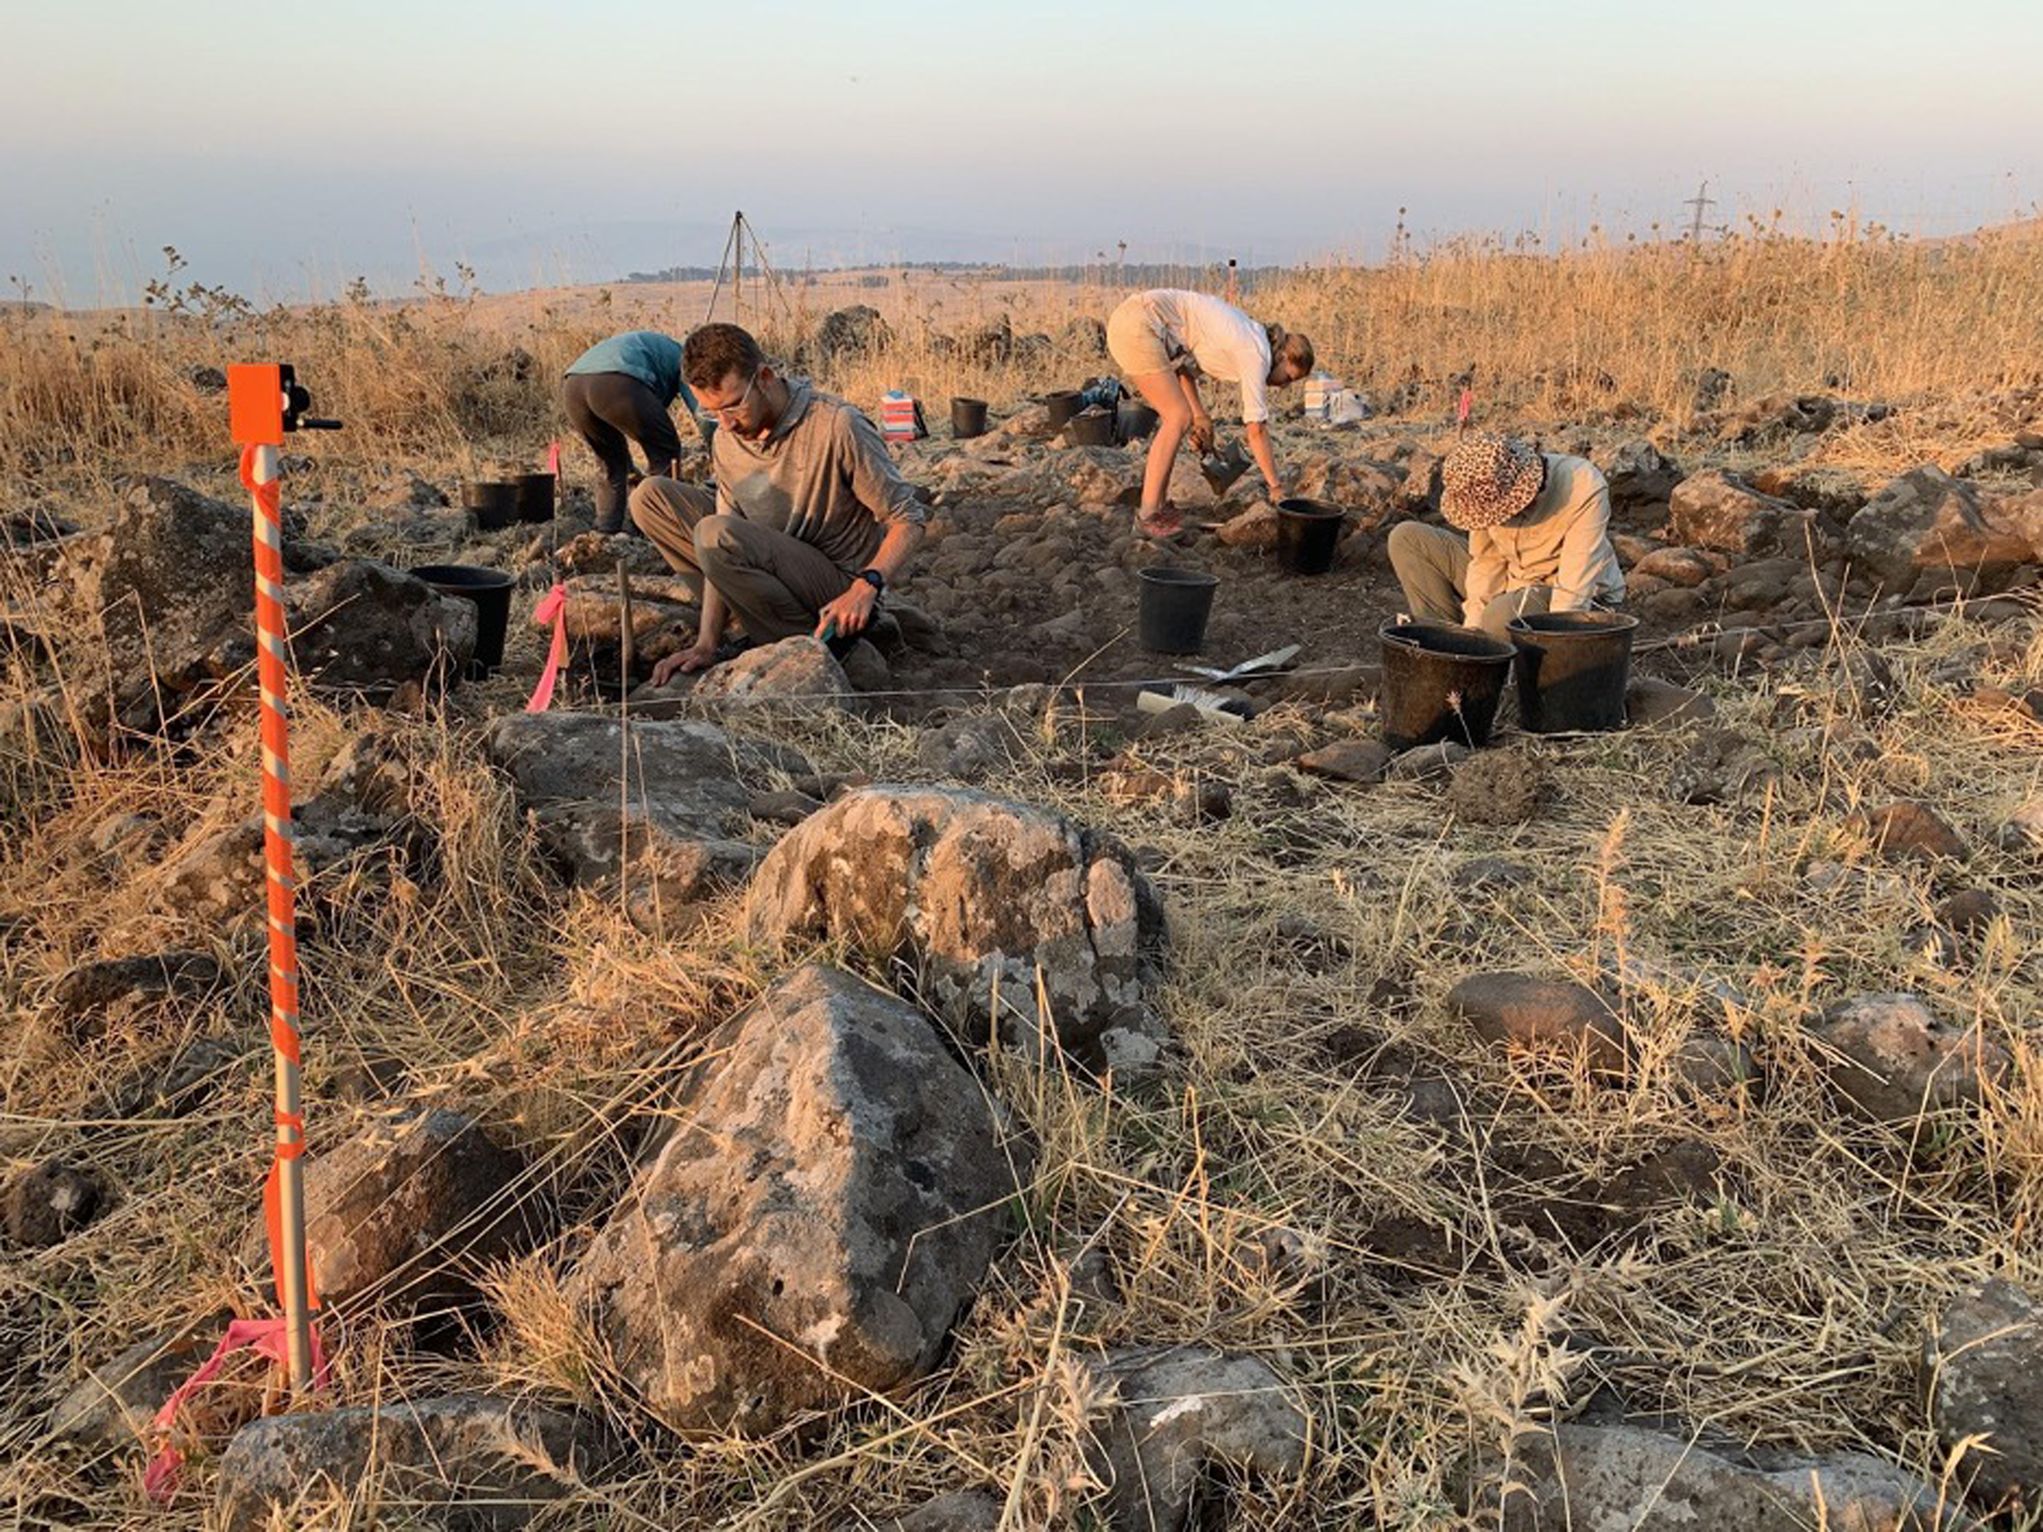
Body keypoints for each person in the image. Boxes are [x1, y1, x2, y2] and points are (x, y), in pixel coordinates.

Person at [629, 323, 926, 684]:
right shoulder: (725, 439)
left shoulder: (837, 425)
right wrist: (706, 644)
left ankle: (815, 648)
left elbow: (907, 519)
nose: (725, 423)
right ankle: (746, 624)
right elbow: (719, 534)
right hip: (766, 563)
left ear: (765, 377)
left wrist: (866, 587)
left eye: (733, 406)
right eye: (710, 412)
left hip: (837, 589)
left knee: (715, 534)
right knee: (650, 497)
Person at [1104, 288, 1315, 538]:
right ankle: (1148, 515)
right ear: (1282, 356)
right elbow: (1256, 429)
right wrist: (1276, 487)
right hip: (1140, 325)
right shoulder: (1256, 353)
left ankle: (1157, 508)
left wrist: (1201, 417)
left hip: (1136, 320)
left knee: (1180, 417)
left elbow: (1184, 370)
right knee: (1177, 417)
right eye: (1288, 377)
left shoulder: (1247, 334)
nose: (1283, 386)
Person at [1386, 434, 1625, 637]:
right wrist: (1472, 632)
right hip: (1512, 582)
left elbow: (1573, 590)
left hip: (1568, 593)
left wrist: (1559, 647)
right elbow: (1486, 563)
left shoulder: (1582, 485)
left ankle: (1492, 650)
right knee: (1407, 538)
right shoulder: (1482, 490)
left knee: (1499, 615)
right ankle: (1443, 643)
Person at [562, 329, 700, 534]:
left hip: (573, 387)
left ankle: (606, 530)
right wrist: (720, 444)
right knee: (665, 453)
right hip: (617, 382)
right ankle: (656, 528)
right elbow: (702, 410)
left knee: (611, 463)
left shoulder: (655, 346)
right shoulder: (686, 359)